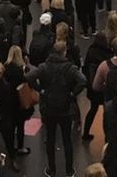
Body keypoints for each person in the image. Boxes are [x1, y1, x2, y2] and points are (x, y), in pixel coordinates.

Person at [28, 40, 86, 177]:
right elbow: (83, 80)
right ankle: (69, 170)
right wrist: (72, 93)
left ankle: (51, 169)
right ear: (64, 52)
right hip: (66, 108)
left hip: (48, 107)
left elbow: (29, 77)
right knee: (67, 140)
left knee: (50, 138)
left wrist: (40, 90)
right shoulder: (70, 68)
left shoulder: (43, 66)